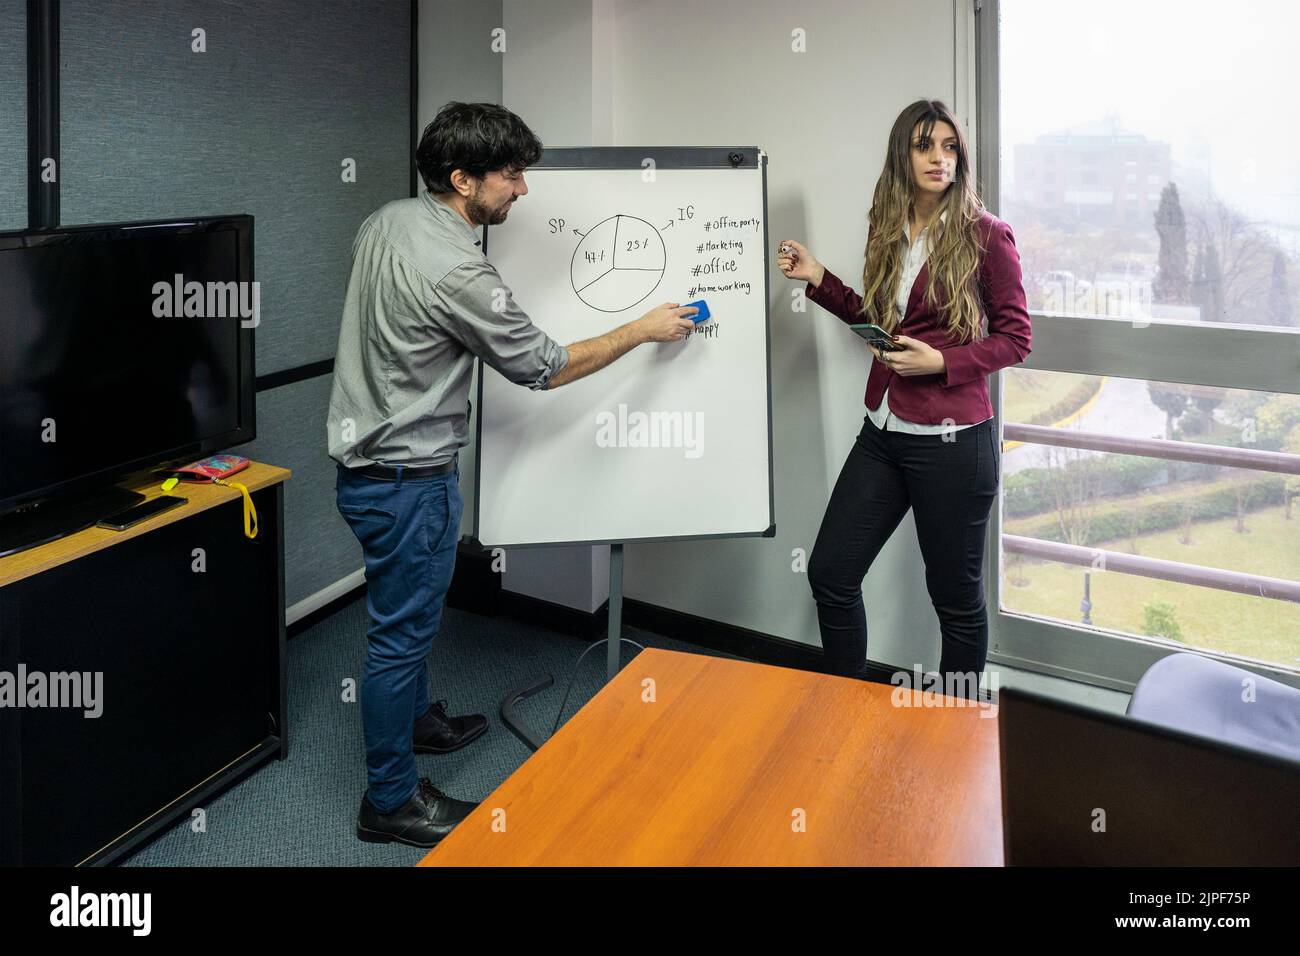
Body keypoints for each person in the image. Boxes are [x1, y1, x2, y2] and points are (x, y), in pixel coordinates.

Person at [326, 101, 697, 848]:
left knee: (411, 616)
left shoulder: (388, 220)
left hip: (374, 467)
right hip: (405, 480)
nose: (522, 190)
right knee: (399, 636)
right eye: (511, 175)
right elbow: (545, 367)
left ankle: (419, 723)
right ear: (463, 180)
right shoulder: (459, 267)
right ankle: (390, 802)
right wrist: (642, 328)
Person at [777, 99, 1031, 699]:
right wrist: (819, 278)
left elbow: (1017, 338)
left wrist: (942, 362)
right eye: (925, 146)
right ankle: (847, 714)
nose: (939, 158)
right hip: (884, 431)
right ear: (903, 155)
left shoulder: (987, 236)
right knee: (832, 573)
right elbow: (882, 321)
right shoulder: (888, 227)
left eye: (949, 147)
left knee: (956, 601)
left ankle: (957, 740)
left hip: (953, 443)